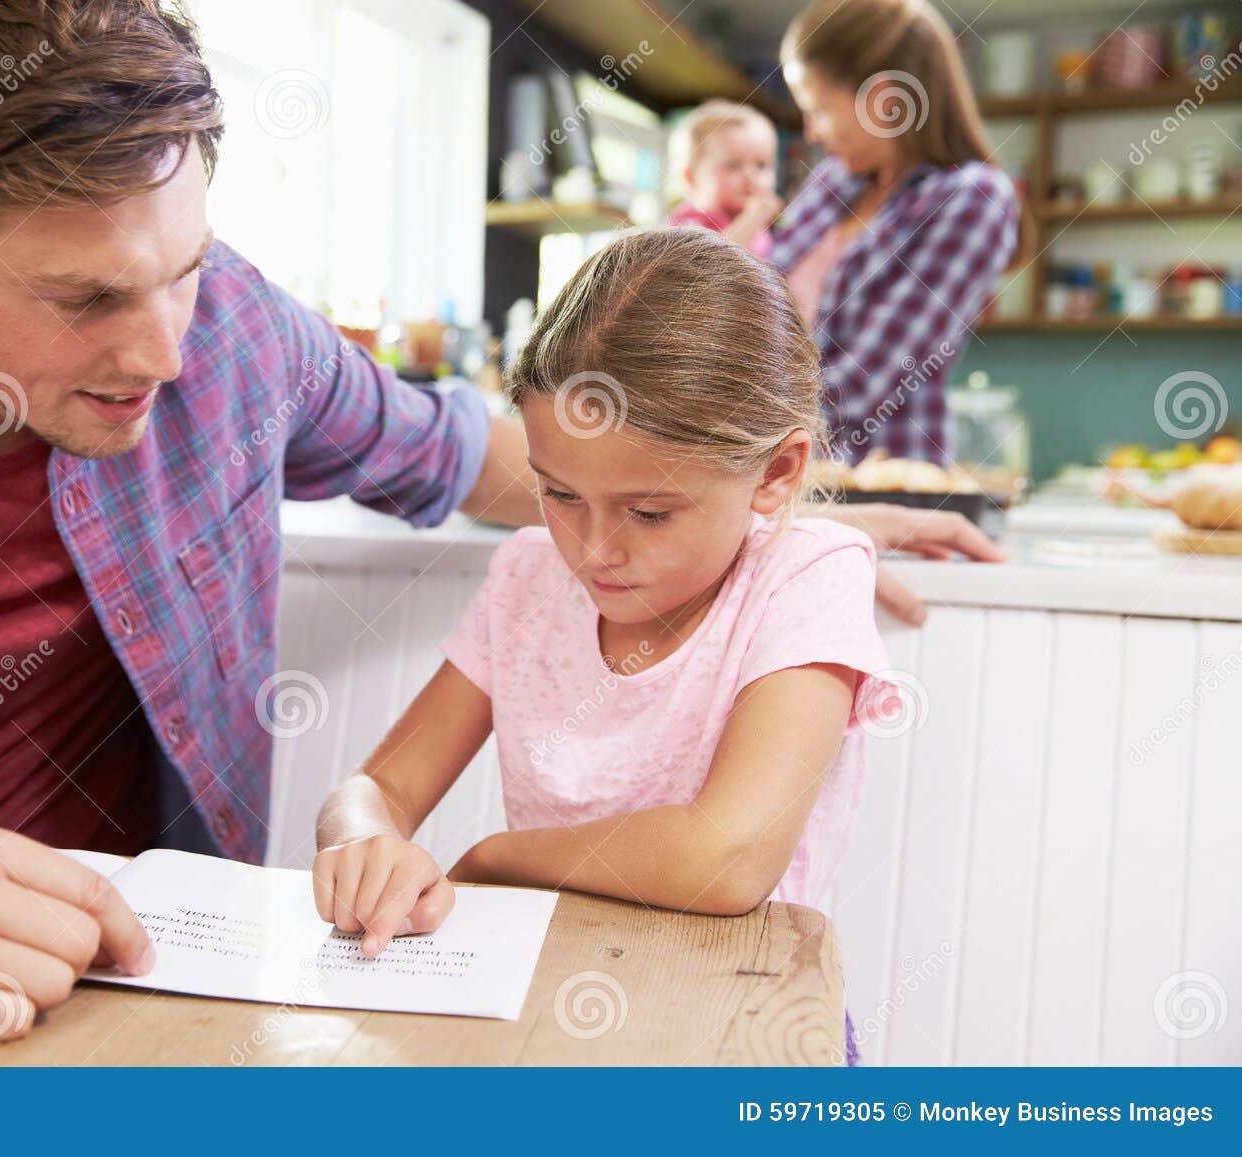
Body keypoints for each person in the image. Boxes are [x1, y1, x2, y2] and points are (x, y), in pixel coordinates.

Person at [0, 0, 993, 1041]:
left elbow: (496, 459)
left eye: (182, 266)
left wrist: (777, 498)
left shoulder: (241, 334)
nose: (167, 352)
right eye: (86, 300)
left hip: (140, 1003)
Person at [314, 229, 898, 1064]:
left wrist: (491, 857)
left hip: (743, 1026)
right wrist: (360, 839)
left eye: (650, 512)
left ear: (775, 472)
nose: (593, 550)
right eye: (558, 494)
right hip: (547, 1008)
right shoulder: (527, 575)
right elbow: (377, 784)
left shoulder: (808, 578)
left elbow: (725, 857)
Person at [770, 0, 1025, 465]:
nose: (811, 132)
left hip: (874, 490)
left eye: (819, 109)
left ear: (884, 100)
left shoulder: (972, 198)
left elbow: (862, 383)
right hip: (769, 476)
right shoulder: (829, 184)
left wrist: (715, 430)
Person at [668, 100, 783, 258]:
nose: (751, 176)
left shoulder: (759, 228)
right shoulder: (690, 222)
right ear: (691, 178)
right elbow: (717, 262)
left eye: (761, 166)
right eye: (733, 166)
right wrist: (753, 218)